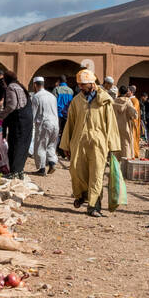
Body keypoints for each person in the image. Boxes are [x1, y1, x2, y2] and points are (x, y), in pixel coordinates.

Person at [59, 66, 120, 217]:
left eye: (82, 85)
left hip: (98, 144)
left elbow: (111, 123)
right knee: (75, 170)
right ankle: (81, 195)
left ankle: (94, 206)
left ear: (91, 84)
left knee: (96, 175)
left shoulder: (105, 101)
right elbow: (70, 123)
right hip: (79, 142)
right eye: (79, 85)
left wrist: (112, 146)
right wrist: (66, 145)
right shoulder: (76, 101)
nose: (79, 87)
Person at [0, 72, 32, 178]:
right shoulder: (20, 86)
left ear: (6, 79)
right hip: (27, 120)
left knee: (16, 144)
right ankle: (19, 170)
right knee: (23, 145)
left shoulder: (11, 87)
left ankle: (14, 172)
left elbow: (12, 105)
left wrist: (1, 115)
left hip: (19, 120)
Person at [30, 76, 60, 176]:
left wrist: (30, 125)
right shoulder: (52, 96)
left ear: (35, 85)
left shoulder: (36, 97)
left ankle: (42, 169)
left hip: (44, 124)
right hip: (55, 124)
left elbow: (33, 113)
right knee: (51, 145)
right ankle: (52, 163)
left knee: (41, 146)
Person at [112, 84, 139, 160]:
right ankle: (125, 161)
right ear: (126, 93)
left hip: (115, 126)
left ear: (119, 92)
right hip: (125, 126)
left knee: (116, 143)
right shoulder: (128, 101)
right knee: (126, 144)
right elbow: (134, 115)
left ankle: (115, 161)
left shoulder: (113, 101)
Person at [53, 75, 73, 140]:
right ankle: (62, 147)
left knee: (56, 131)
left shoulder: (56, 89)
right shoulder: (71, 90)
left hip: (57, 114)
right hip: (67, 114)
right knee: (65, 132)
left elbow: (53, 101)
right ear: (66, 81)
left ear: (59, 81)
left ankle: (56, 146)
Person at [127, 85, 142, 157]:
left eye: (128, 91)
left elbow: (134, 111)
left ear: (131, 92)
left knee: (132, 137)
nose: (127, 92)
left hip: (133, 122)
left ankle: (134, 153)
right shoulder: (128, 99)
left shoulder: (135, 100)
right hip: (128, 121)